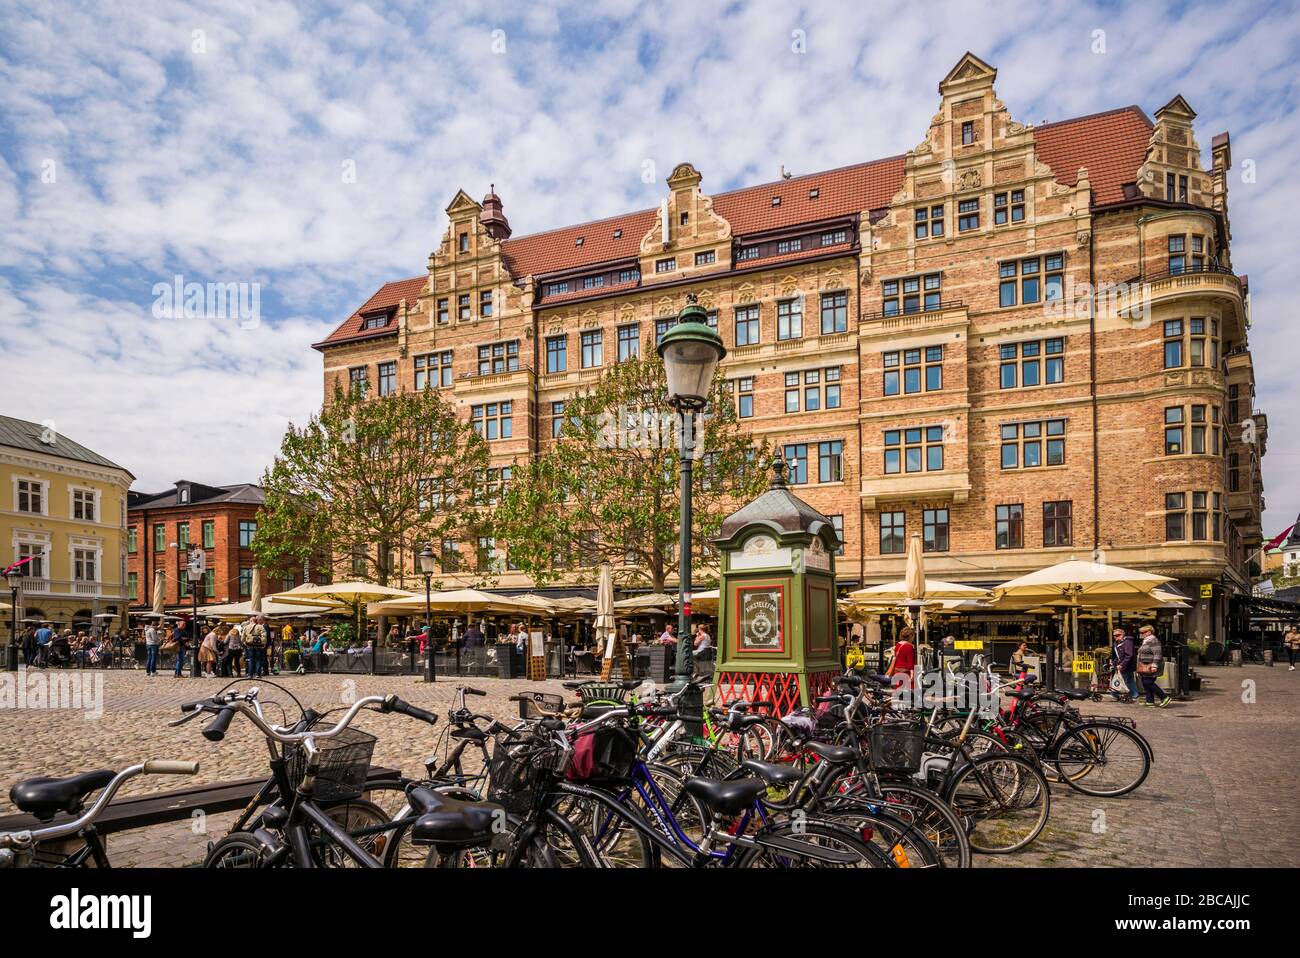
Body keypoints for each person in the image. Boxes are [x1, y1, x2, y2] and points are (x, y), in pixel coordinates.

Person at [1135, 625, 1171, 707]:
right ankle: (1150, 701)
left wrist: (1154, 665)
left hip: (1151, 665)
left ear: (1149, 632)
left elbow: (1157, 654)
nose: (1142, 634)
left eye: (1143, 632)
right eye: (1141, 633)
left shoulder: (1153, 641)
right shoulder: (1146, 641)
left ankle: (1164, 697)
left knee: (1148, 682)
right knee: (1145, 682)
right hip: (1144, 665)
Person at [1112, 628, 1139, 703]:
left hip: (1126, 666)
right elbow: (1119, 656)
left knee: (1122, 680)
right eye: (1114, 635)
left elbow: (1128, 655)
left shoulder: (1127, 642)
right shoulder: (1117, 643)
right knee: (1130, 681)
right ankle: (1134, 694)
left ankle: (1115, 694)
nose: (1116, 637)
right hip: (1125, 666)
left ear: (1123, 634)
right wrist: (1114, 662)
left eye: (1118, 635)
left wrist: (1121, 665)